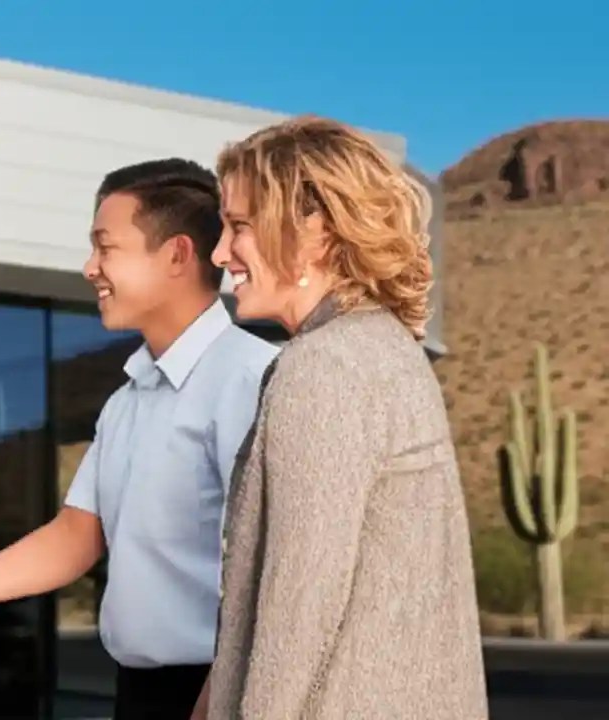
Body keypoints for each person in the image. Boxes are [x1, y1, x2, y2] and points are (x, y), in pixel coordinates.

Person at [0, 159, 278, 719]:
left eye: (105, 247)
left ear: (177, 256)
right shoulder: (126, 402)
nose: (90, 268)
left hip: (221, 695)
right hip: (137, 696)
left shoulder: (255, 381)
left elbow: (274, 570)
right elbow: (76, 536)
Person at [205, 115, 488, 719]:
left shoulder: (323, 368)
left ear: (316, 233)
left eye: (239, 227)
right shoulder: (387, 351)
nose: (220, 252)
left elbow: (298, 611)